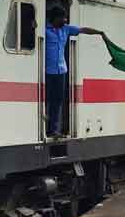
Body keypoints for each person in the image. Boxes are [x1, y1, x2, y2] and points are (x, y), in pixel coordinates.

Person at [45, 7, 108, 138]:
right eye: (63, 17)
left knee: (58, 100)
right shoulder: (44, 29)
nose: (65, 20)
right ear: (55, 18)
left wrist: (99, 32)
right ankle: (45, 127)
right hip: (47, 71)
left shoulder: (66, 29)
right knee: (46, 100)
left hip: (61, 70)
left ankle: (54, 130)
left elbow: (83, 30)